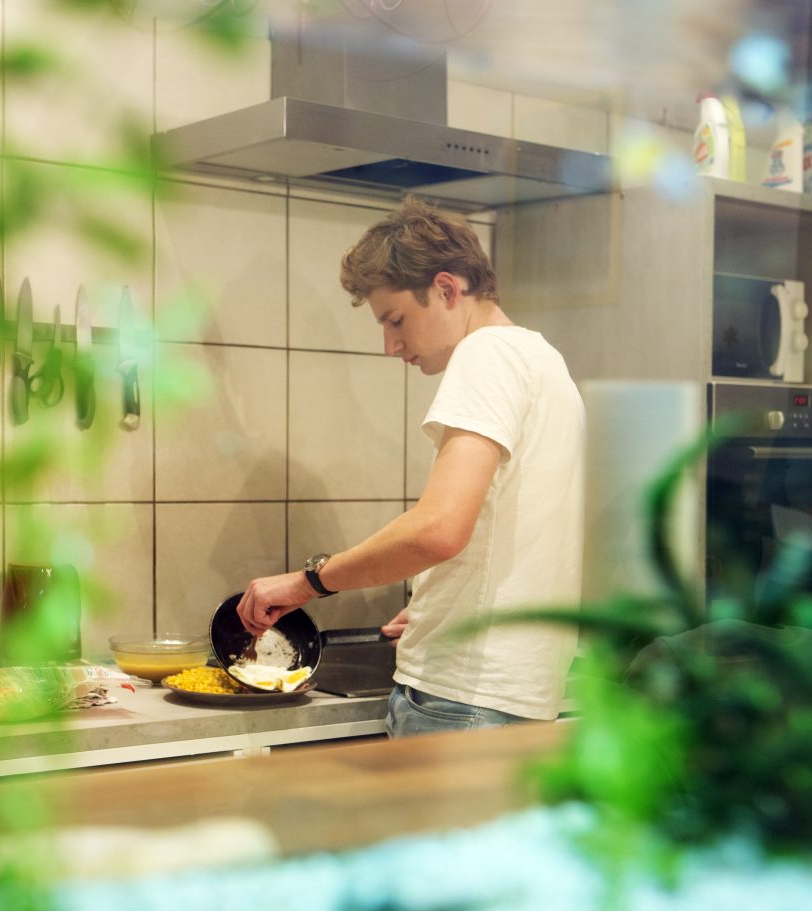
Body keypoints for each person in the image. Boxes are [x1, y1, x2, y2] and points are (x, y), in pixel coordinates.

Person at [236, 195, 584, 737]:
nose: (389, 345)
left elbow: (438, 530)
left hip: (462, 698)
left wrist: (307, 582)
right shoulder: (543, 360)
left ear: (446, 289)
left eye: (395, 320)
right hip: (515, 690)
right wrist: (441, 606)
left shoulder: (485, 355)